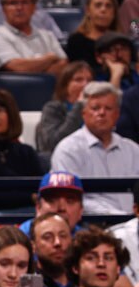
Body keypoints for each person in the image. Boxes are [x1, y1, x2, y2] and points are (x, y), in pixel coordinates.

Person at [52, 83, 139, 217]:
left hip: (133, 222)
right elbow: (71, 198)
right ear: (84, 113)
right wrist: (116, 216)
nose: (102, 113)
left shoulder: (133, 150)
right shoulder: (68, 150)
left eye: (108, 108)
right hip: (89, 224)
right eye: (95, 108)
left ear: (117, 114)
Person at [0, 0, 68, 75]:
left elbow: (63, 65)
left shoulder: (48, 36)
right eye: (13, 3)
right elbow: (17, 67)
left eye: (24, 2)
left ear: (34, 7)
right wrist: (50, 58)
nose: (19, 8)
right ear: (4, 9)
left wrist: (33, 69)